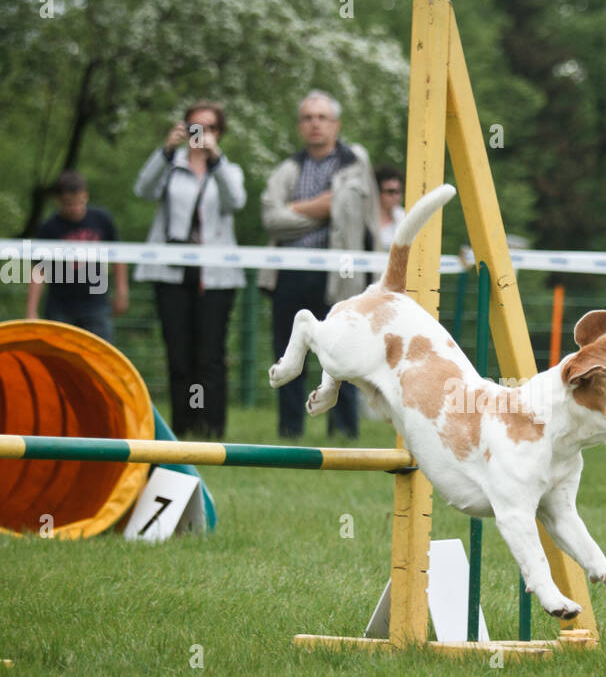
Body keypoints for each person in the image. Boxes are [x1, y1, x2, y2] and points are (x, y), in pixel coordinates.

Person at [260, 90, 378, 440]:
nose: (315, 124)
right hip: (291, 272)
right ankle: (289, 430)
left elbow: (362, 217)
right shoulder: (288, 168)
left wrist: (296, 208)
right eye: (308, 117)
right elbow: (271, 219)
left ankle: (343, 430)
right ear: (300, 126)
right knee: (288, 352)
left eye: (322, 117)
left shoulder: (356, 165)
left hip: (341, 273)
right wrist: (320, 208)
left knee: (343, 352)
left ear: (336, 124)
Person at [133, 101, 247, 440]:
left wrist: (217, 158)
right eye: (195, 127)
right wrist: (165, 150)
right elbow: (143, 190)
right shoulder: (171, 166)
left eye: (209, 128)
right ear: (183, 129)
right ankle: (182, 426)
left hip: (215, 275)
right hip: (172, 272)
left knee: (210, 355)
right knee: (179, 354)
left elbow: (235, 201)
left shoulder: (229, 170)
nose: (202, 134)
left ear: (219, 132)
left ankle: (211, 426)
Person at [26, 170, 128, 341]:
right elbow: (38, 270)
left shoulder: (101, 219)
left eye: (80, 202)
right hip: (60, 306)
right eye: (69, 204)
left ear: (86, 195)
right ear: (58, 200)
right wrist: (31, 310)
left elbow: (118, 257)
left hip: (97, 303)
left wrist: (122, 291)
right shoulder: (48, 228)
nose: (75, 208)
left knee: (99, 357)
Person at [375, 165, 406, 250]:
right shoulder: (366, 219)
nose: (396, 196)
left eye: (399, 191)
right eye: (390, 191)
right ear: (378, 192)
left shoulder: (405, 217)